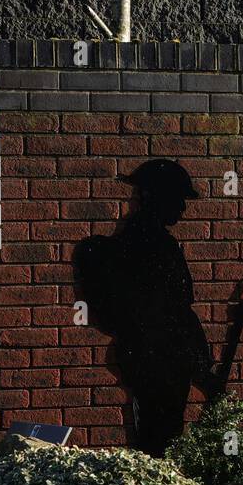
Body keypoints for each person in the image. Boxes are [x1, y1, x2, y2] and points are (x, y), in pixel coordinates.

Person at [73, 159, 220, 455]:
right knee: (161, 441)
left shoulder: (139, 239)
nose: (182, 208)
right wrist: (203, 369)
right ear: (156, 197)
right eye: (177, 199)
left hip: (148, 355)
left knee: (156, 439)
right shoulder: (155, 245)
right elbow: (177, 311)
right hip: (160, 358)